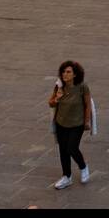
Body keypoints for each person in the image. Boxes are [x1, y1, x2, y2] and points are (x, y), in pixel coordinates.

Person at [47, 60, 92, 189]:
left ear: (75, 74)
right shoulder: (59, 86)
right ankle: (66, 176)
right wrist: (57, 98)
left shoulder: (82, 86)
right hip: (61, 123)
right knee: (63, 150)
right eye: (63, 72)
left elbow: (88, 104)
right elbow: (51, 103)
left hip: (77, 124)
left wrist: (87, 121)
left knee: (72, 148)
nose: (65, 74)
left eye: (68, 72)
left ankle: (83, 167)